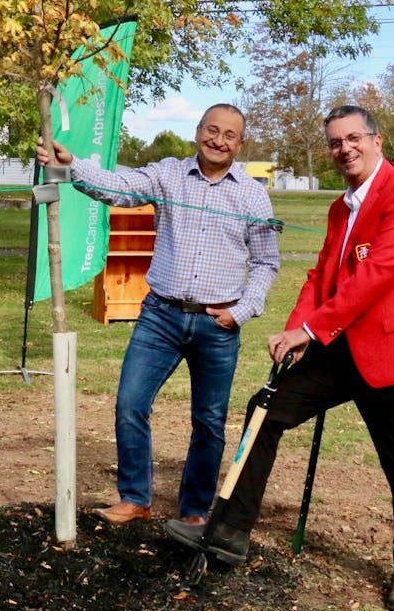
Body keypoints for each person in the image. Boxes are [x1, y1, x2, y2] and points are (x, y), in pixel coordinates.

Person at [166, 105, 394, 611]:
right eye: (335, 142)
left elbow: (376, 276)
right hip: (344, 348)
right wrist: (296, 328)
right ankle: (229, 533)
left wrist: (311, 328)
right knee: (266, 409)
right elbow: (323, 274)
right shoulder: (341, 207)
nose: (345, 149)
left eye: (353, 139)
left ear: (375, 140)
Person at [37, 104, 280, 527]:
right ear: (198, 131)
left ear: (240, 144)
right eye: (212, 130)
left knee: (208, 421)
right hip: (160, 318)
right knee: (130, 404)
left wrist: (241, 311)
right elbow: (118, 186)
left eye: (229, 135)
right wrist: (72, 165)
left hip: (217, 326)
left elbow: (266, 262)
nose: (218, 141)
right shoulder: (169, 174)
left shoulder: (253, 194)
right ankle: (135, 498)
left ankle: (193, 510)